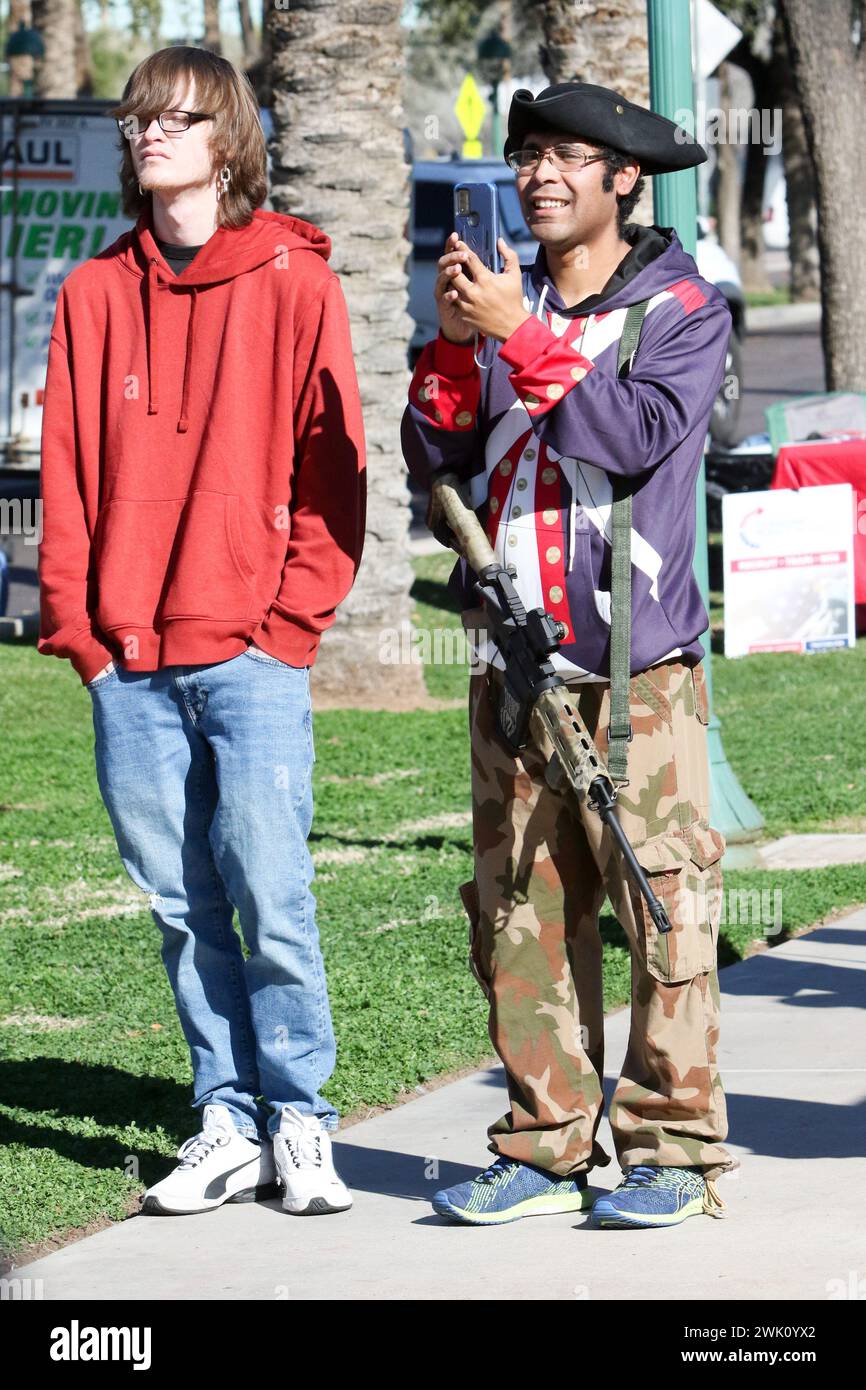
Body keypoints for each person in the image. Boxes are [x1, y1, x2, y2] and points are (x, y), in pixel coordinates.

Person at [401, 81, 739, 1228]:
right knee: (519, 914)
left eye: (566, 158)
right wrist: (454, 348)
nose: (539, 174)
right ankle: (544, 1144)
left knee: (663, 912)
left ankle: (673, 1149)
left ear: (623, 178)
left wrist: (518, 338)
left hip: (640, 677)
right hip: (513, 670)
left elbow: (633, 434)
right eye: (528, 155)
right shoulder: (501, 306)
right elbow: (434, 449)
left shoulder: (681, 306)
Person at [37, 47, 366, 1217]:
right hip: (127, 657)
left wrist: (287, 625)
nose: (149, 135)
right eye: (138, 120)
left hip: (249, 651)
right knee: (181, 907)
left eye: (176, 118)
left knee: (268, 889)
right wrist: (80, 631)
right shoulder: (90, 294)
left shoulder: (292, 279)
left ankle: (301, 1122)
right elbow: (68, 475)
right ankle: (224, 1116)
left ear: (227, 140)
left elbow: (338, 472)